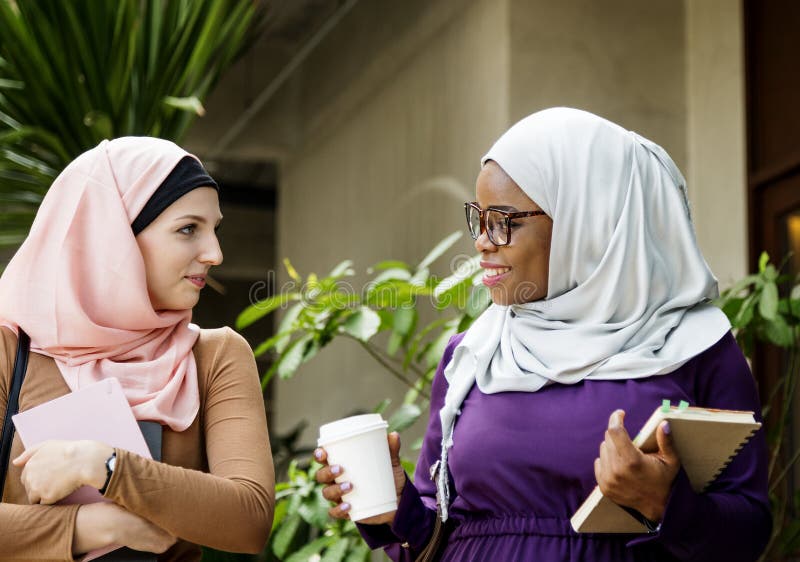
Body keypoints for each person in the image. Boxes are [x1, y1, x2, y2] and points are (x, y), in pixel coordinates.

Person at [315, 108, 771, 561]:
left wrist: (666, 504)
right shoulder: (474, 354)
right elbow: (432, 540)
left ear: (586, 222)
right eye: (480, 218)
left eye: (504, 221)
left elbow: (748, 532)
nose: (482, 241)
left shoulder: (692, 346)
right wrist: (394, 509)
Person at [0, 137, 275, 560]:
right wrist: (95, 526)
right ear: (114, 237)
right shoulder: (10, 349)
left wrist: (101, 464)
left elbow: (249, 519)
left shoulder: (215, 356)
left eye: (214, 230)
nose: (215, 253)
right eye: (188, 229)